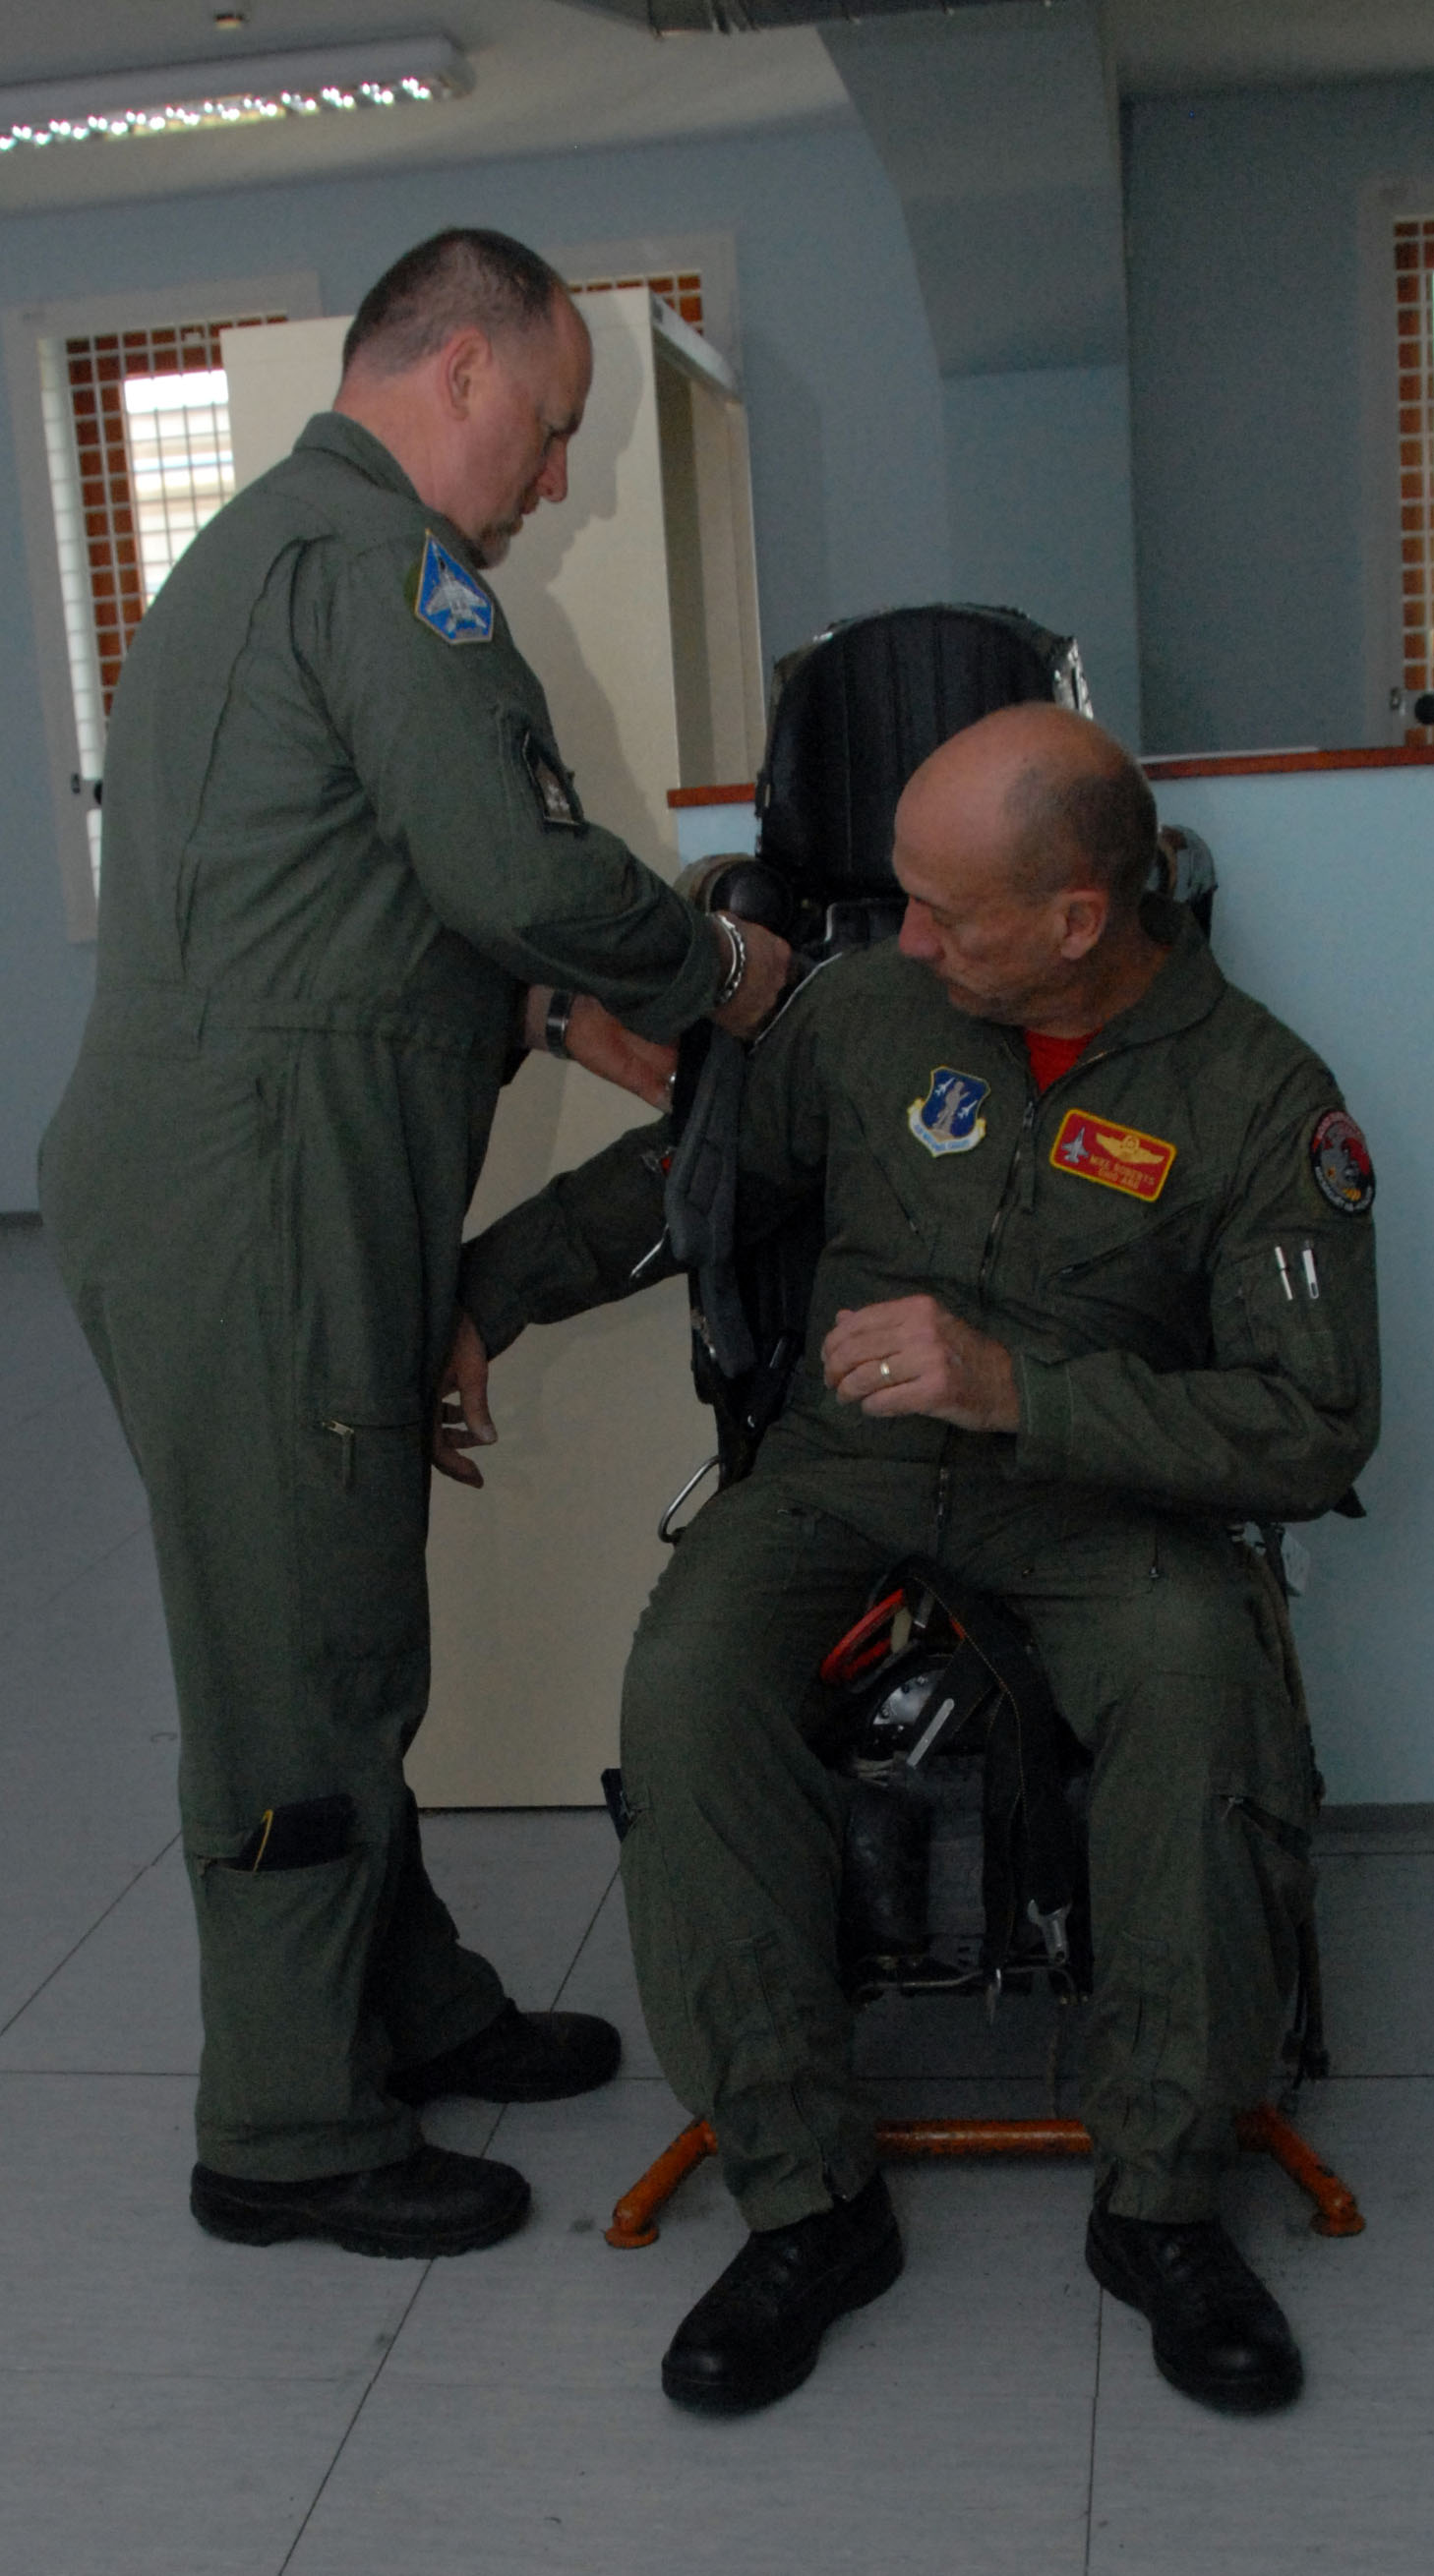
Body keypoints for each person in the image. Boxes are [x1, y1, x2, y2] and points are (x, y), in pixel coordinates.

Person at [452, 701, 1380, 2413]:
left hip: (1097, 1495)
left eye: (948, 913)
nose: (907, 942)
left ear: (1079, 919)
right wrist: (484, 1292)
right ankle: (804, 2198)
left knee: (1200, 1685)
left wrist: (1021, 1390)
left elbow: (1313, 1425)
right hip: (846, 1475)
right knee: (688, 1683)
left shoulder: (1257, 1098)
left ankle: (1164, 2203)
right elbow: (692, 1179)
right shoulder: (869, 1014)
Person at [38, 227, 789, 2263]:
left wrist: (550, 1011)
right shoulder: (387, 568)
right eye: (547, 429)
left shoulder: (274, 548)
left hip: (255, 1163)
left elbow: (339, 898)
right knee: (298, 1656)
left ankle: (410, 1998)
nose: (553, 478)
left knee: (339, 1610)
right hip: (261, 1194)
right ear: (457, 368)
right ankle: (287, 2128)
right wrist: (722, 974)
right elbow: (505, 862)